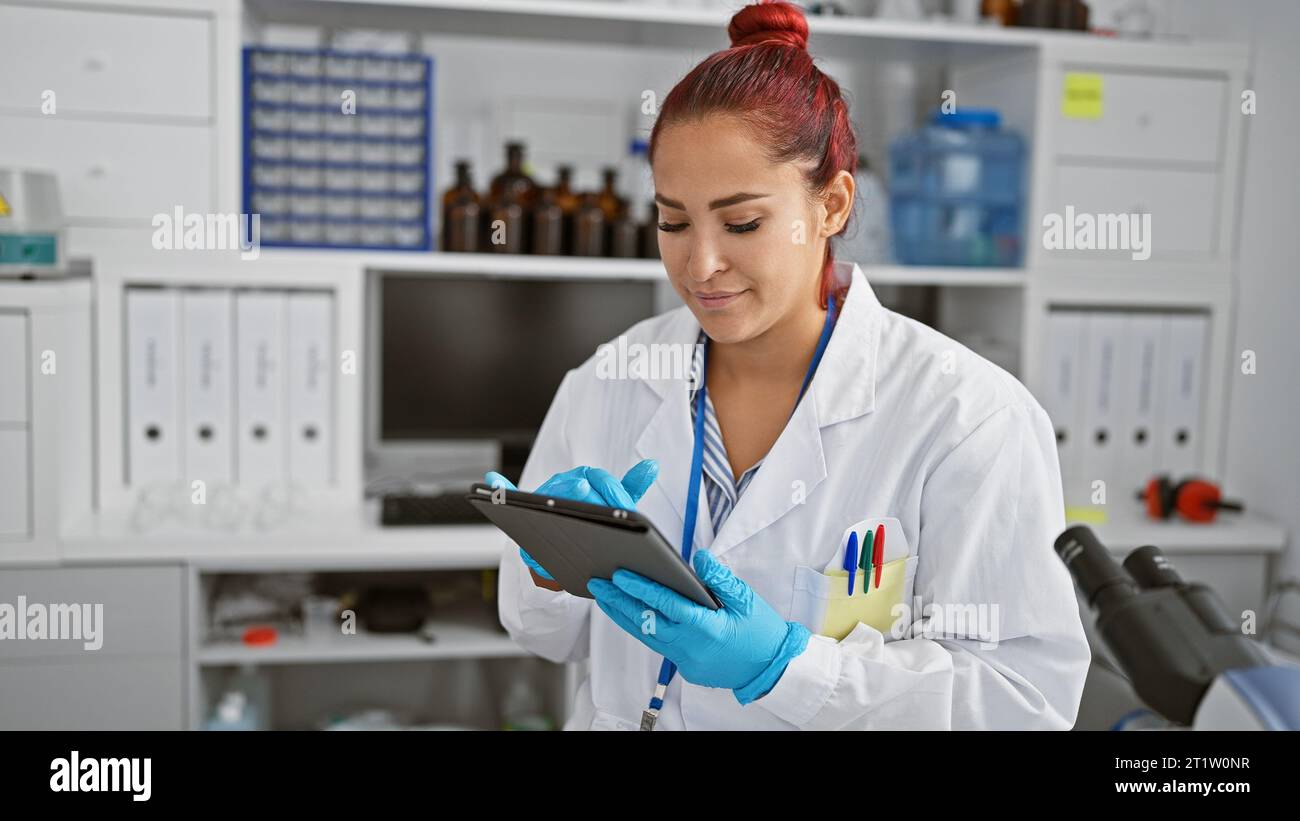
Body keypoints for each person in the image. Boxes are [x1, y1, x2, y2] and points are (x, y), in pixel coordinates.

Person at [489, 0, 1090, 730]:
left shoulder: (969, 417)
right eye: (673, 221)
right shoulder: (608, 381)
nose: (700, 264)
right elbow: (544, 635)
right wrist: (550, 563)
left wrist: (784, 665)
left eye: (743, 223)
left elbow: (1020, 702)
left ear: (832, 203)